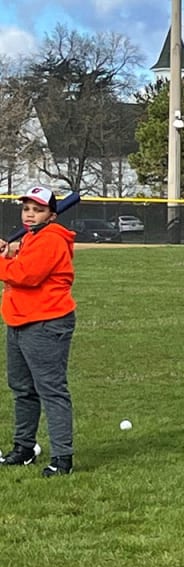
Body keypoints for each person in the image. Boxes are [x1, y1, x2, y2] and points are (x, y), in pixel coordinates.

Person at [0, 186, 77, 477]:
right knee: (22, 389)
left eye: (38, 209)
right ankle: (23, 448)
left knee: (51, 391)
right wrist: (8, 253)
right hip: (20, 320)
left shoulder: (51, 240)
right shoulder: (33, 239)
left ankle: (62, 458)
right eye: (26, 209)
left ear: (52, 215)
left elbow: (25, 276)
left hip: (46, 323)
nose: (30, 214)